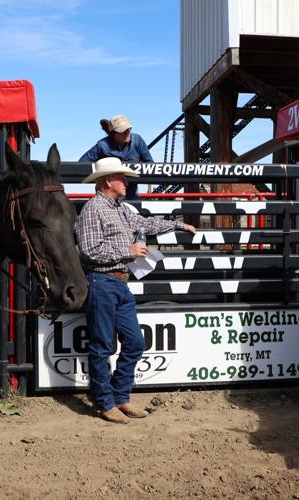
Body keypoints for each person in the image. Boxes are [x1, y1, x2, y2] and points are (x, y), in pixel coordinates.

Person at [75, 157, 195, 423]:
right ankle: (106, 402)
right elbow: (89, 250)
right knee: (102, 345)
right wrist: (126, 251)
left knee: (135, 343)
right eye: (123, 177)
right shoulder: (93, 209)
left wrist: (177, 224)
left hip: (118, 282)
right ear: (109, 181)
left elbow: (146, 224)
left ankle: (118, 396)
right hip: (102, 280)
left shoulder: (119, 208)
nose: (127, 182)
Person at [79, 114, 152, 199]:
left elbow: (150, 165)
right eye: (123, 131)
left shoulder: (137, 140)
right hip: (109, 194)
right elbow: (82, 164)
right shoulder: (102, 146)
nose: (127, 133)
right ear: (113, 134)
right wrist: (102, 174)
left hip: (131, 193)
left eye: (129, 129)